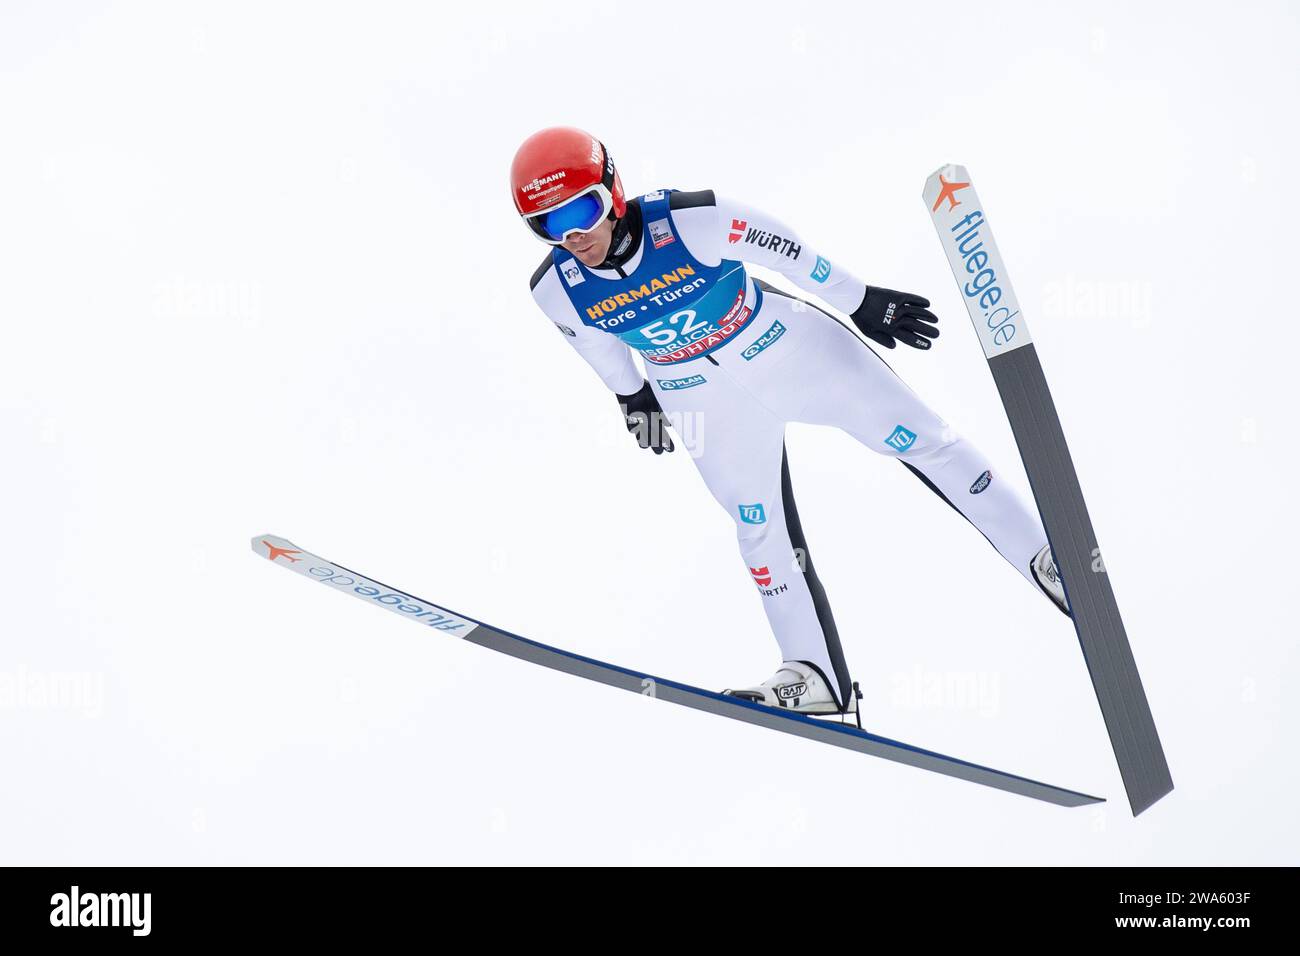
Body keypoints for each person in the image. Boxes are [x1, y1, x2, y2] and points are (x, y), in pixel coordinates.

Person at [512, 126, 1066, 719]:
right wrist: (632, 397)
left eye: (581, 209)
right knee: (756, 527)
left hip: (787, 352)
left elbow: (788, 251)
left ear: (613, 192)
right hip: (697, 397)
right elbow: (596, 347)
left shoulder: (689, 221)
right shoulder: (555, 290)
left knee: (926, 441)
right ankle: (812, 671)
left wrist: (858, 299)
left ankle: (1046, 558)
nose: (572, 234)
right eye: (548, 223)